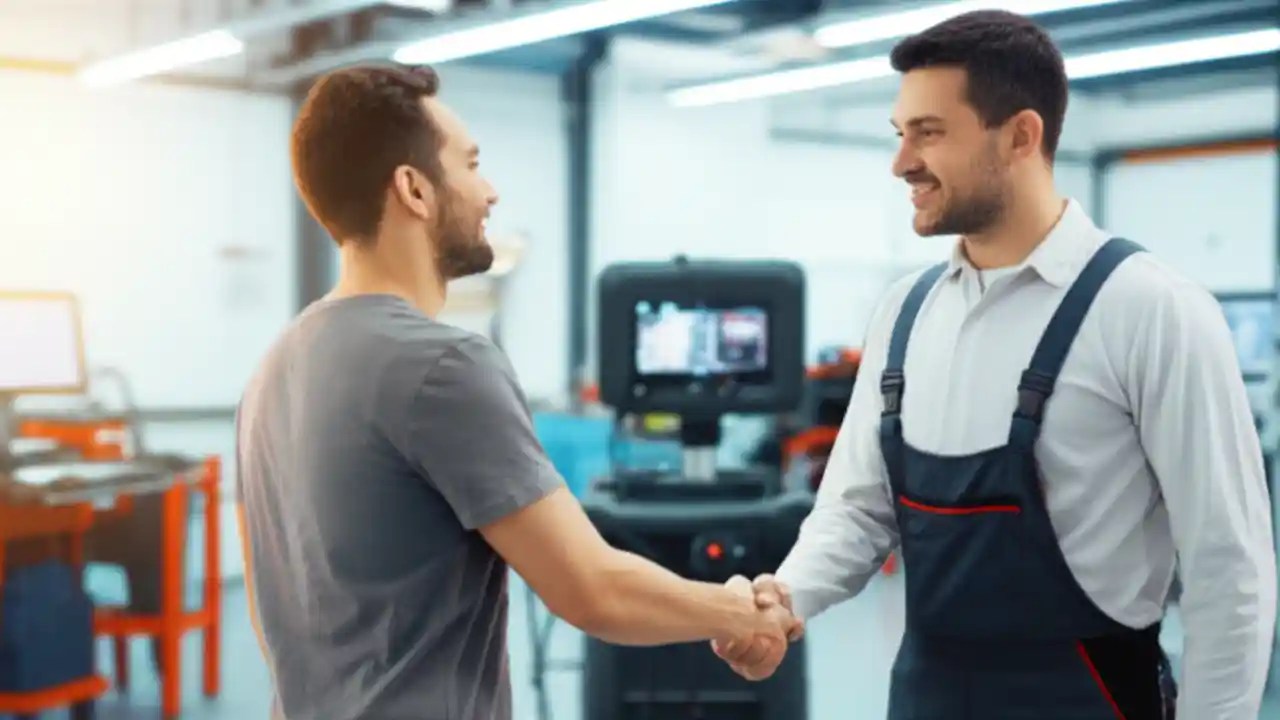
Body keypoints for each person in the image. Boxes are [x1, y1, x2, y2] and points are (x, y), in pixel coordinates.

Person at [715, 9, 1277, 719]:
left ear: (1020, 135)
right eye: (900, 134)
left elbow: (1230, 570)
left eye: (930, 132)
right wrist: (785, 601)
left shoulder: (1152, 310)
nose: (901, 162)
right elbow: (856, 511)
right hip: (926, 699)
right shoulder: (904, 314)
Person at [233, 64, 800, 720]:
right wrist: (739, 611)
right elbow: (592, 590)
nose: (490, 191)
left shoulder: (271, 369)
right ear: (414, 189)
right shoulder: (443, 364)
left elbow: (268, 611)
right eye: (471, 164)